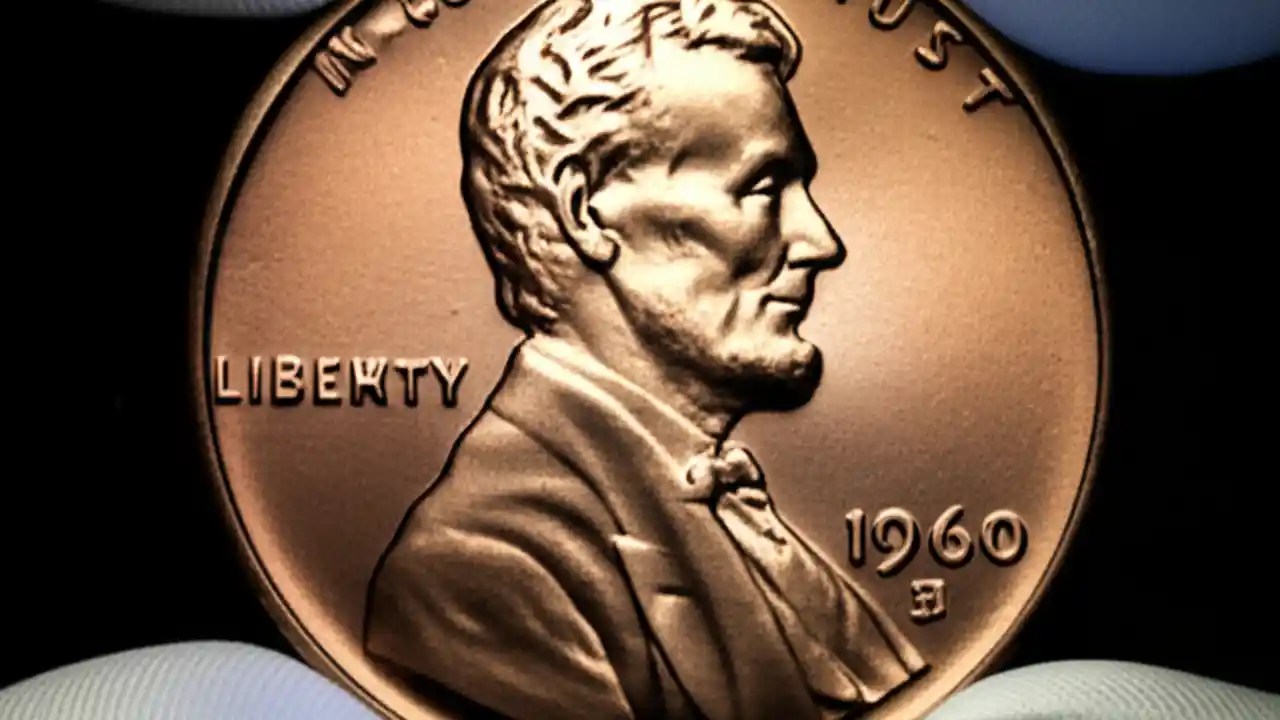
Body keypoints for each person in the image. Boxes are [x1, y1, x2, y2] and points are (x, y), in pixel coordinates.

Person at [361, 1, 928, 718]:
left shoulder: (718, 505)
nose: (821, 240)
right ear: (588, 209)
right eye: (761, 189)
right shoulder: (484, 572)